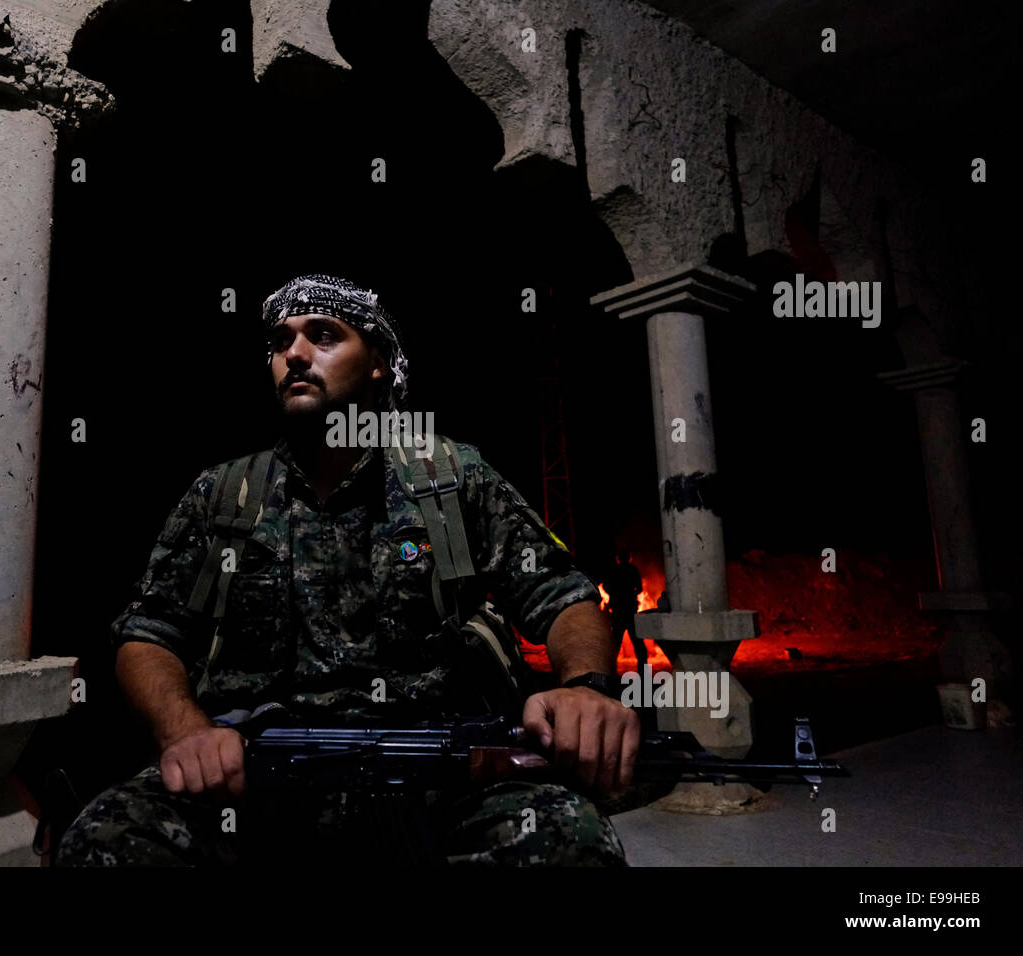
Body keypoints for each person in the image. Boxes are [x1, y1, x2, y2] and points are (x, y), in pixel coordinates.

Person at [58, 274, 639, 866]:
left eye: (324, 335)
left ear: (379, 365)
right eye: (281, 342)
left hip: (438, 770)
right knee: (107, 839)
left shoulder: (450, 477)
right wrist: (185, 732)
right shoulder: (226, 494)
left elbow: (564, 596)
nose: (295, 355)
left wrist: (585, 689)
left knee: (568, 838)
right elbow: (148, 635)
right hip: (256, 777)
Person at [602, 551, 647, 671]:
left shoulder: (614, 570)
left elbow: (605, 586)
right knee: (638, 642)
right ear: (629, 559)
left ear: (618, 559)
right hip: (630, 609)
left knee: (615, 643)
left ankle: (610, 670)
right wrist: (631, 593)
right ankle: (643, 671)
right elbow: (640, 588)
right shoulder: (633, 570)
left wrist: (613, 594)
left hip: (618, 610)